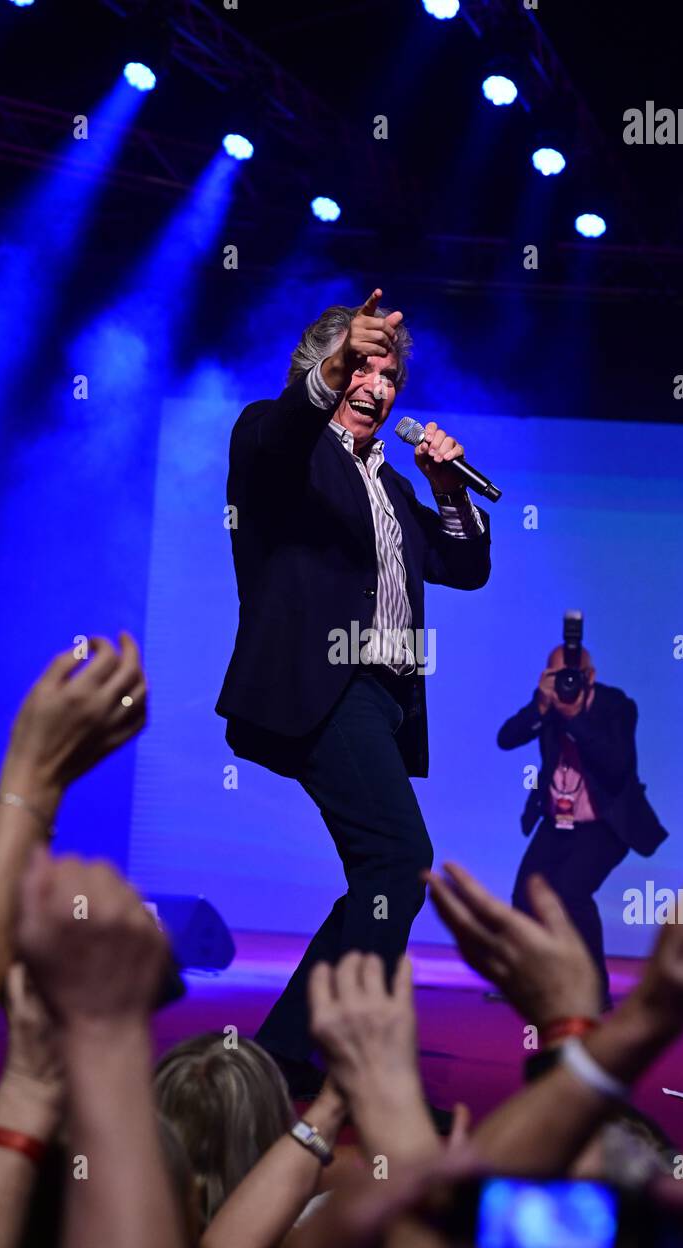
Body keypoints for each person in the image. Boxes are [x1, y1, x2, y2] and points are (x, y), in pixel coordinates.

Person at [216, 287, 492, 1095]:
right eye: (361, 368)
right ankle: (311, 1053)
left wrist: (447, 488)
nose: (378, 384)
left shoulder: (396, 488)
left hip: (380, 696)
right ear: (327, 370)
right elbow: (284, 432)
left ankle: (286, 1054)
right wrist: (331, 366)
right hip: (320, 684)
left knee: (387, 869)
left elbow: (465, 568)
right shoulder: (279, 443)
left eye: (390, 373)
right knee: (400, 860)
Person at [497, 641, 666, 1007]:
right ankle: (524, 981)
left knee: (572, 894)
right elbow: (506, 738)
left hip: (605, 824)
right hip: (558, 820)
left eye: (572, 675)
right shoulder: (547, 706)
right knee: (525, 895)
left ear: (590, 676)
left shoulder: (616, 706)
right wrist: (542, 707)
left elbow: (617, 764)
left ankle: (593, 990)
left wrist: (575, 719)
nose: (566, 682)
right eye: (557, 675)